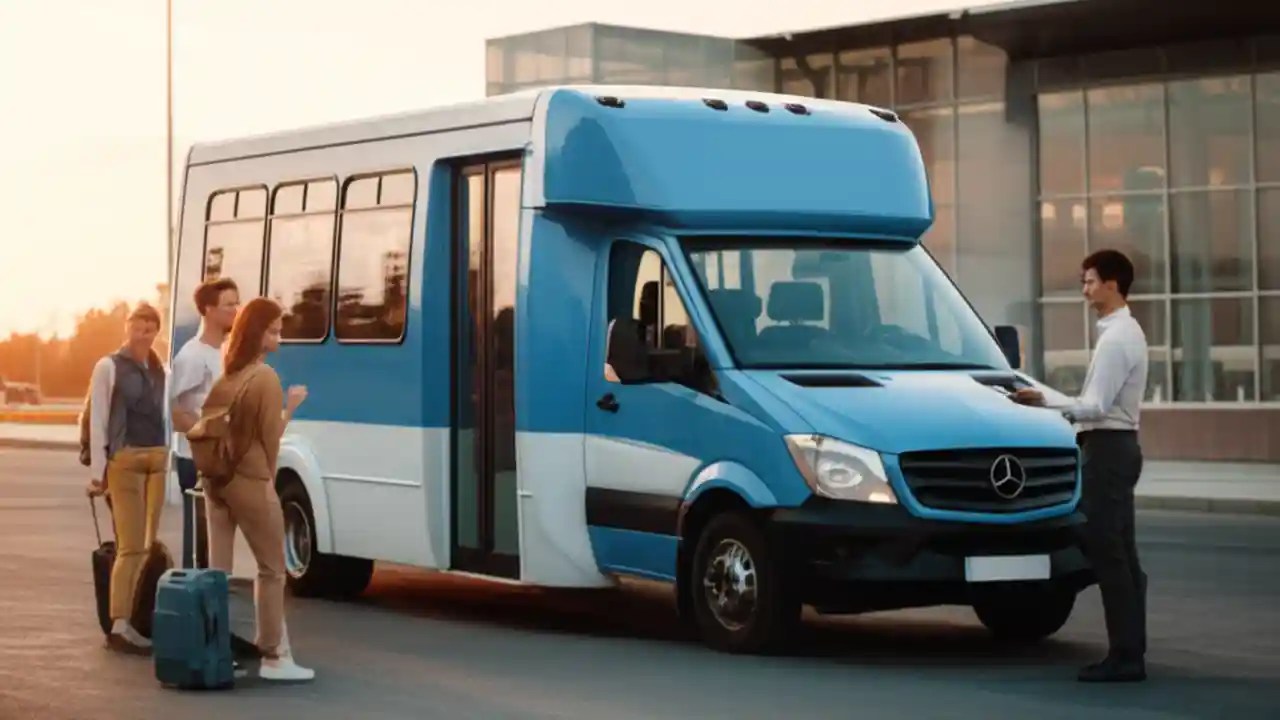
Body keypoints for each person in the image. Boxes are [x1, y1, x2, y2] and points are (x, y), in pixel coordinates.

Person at [1011, 249, 1149, 683]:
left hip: (1108, 448)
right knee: (1122, 555)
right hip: (1118, 446)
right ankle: (1130, 652)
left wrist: (1045, 401)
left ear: (1112, 283)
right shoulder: (1122, 331)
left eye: (1089, 281)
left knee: (1109, 554)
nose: (1085, 289)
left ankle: (1125, 657)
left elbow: (1094, 407)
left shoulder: (1117, 338)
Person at [200, 297, 313, 682]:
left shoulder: (226, 376)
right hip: (250, 482)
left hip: (216, 486)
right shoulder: (264, 378)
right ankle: (273, 656)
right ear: (257, 334)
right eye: (274, 329)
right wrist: (291, 408)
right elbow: (270, 443)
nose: (279, 336)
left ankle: (213, 648)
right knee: (272, 569)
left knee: (219, 572)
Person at [85, 303, 168, 655]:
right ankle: (119, 624)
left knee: (148, 547)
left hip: (158, 458)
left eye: (150, 327)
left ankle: (139, 621)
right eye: (138, 325)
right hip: (126, 459)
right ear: (127, 327)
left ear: (156, 332)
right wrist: (97, 471)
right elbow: (97, 418)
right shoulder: (109, 367)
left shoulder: (160, 367)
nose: (143, 333)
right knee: (131, 546)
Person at [168, 277, 239, 568]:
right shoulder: (192, 355)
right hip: (195, 460)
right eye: (229, 305)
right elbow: (175, 412)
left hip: (222, 459)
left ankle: (214, 600)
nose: (236, 310)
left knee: (218, 540)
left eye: (237, 303)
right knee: (200, 545)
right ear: (208, 310)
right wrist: (205, 435)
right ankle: (194, 604)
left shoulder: (226, 352)